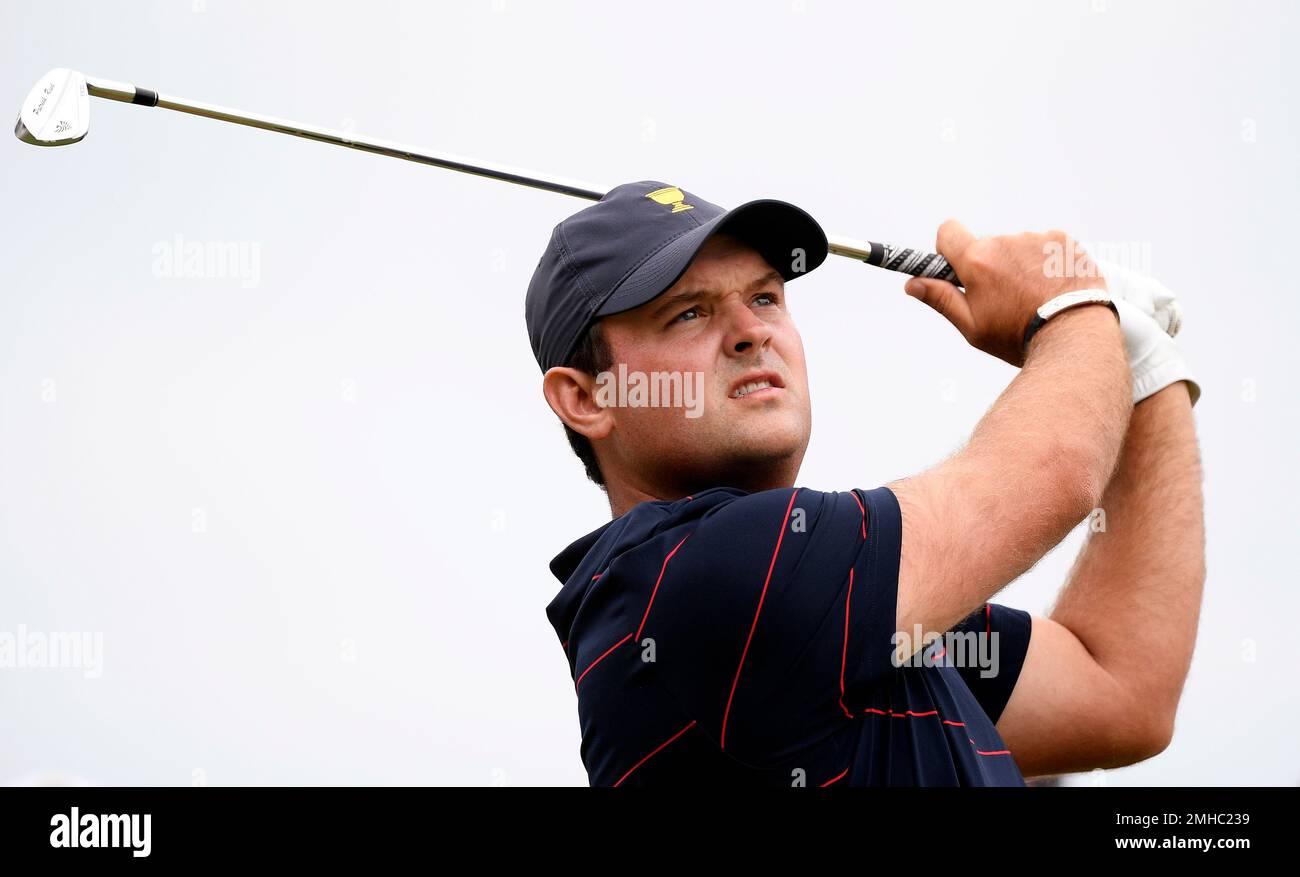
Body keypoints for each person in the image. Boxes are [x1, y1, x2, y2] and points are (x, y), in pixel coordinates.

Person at [526, 181, 1204, 786]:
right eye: (689, 313)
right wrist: (1075, 309)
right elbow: (1056, 468)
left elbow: (1124, 691)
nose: (752, 331)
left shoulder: (831, 612)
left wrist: (1143, 372)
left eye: (765, 295)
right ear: (587, 398)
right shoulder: (699, 581)